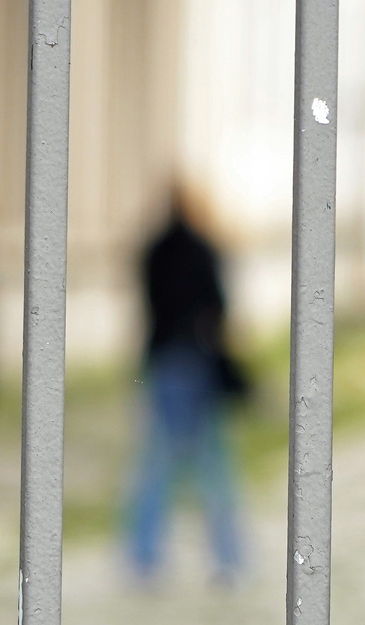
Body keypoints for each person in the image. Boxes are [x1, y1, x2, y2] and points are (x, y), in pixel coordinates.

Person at [126, 186, 245, 584]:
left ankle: (145, 557)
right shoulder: (202, 248)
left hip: (163, 362)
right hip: (196, 360)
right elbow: (218, 307)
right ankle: (226, 557)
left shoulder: (154, 249)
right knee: (211, 462)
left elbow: (147, 303)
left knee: (157, 461)